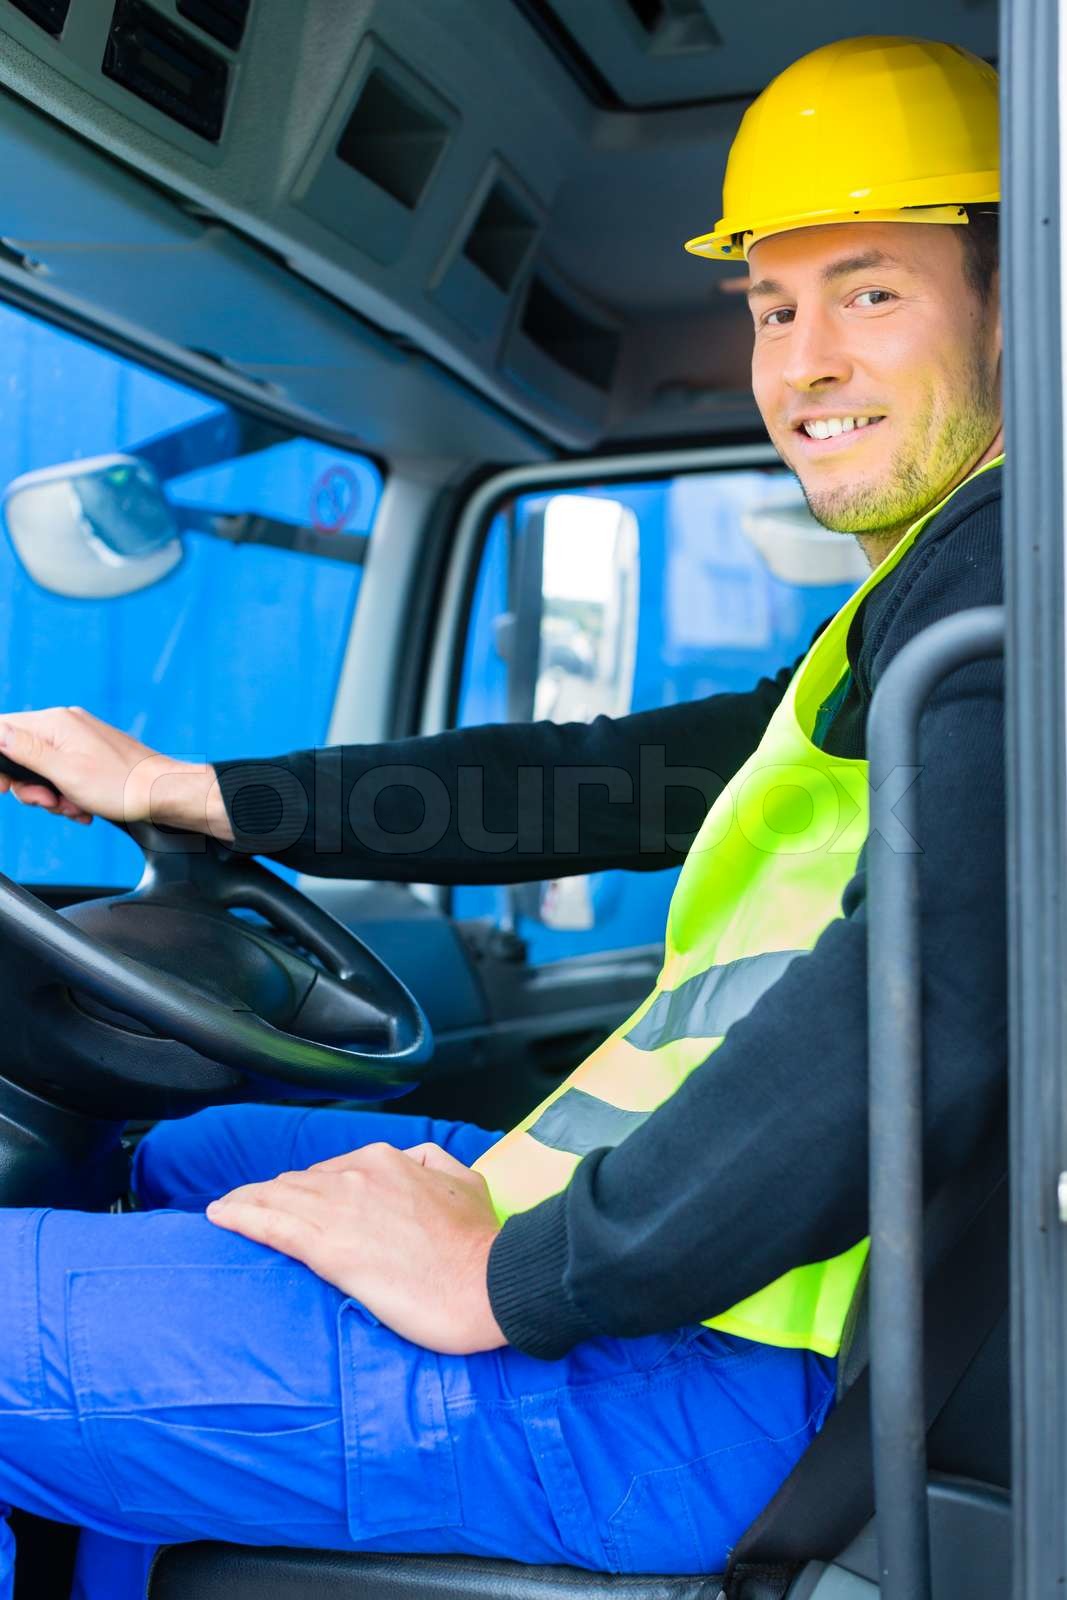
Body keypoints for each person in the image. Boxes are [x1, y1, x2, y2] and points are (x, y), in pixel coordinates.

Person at [0, 35, 1006, 1600]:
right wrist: (189, 791)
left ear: (1028, 308)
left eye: (869, 293)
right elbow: (590, 780)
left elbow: (933, 998)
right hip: (729, 1308)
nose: (802, 363)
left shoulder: (1008, 591)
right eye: (772, 307)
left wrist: (509, 1276)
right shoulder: (925, 612)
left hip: (711, 1377)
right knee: (180, 1156)